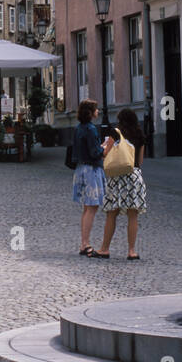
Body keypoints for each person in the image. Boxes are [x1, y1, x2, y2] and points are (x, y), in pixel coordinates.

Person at [93, 108, 147, 261]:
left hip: (117, 178)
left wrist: (104, 147)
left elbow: (106, 154)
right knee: (133, 215)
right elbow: (140, 161)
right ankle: (131, 251)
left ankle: (104, 249)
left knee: (112, 213)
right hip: (134, 176)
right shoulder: (140, 135)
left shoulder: (115, 133)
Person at [71, 99, 106, 256]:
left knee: (87, 208)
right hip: (91, 170)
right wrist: (107, 146)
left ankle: (84, 243)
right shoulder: (91, 129)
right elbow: (95, 153)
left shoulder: (79, 128)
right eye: (96, 109)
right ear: (90, 112)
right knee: (91, 208)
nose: (98, 112)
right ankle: (85, 244)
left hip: (81, 169)